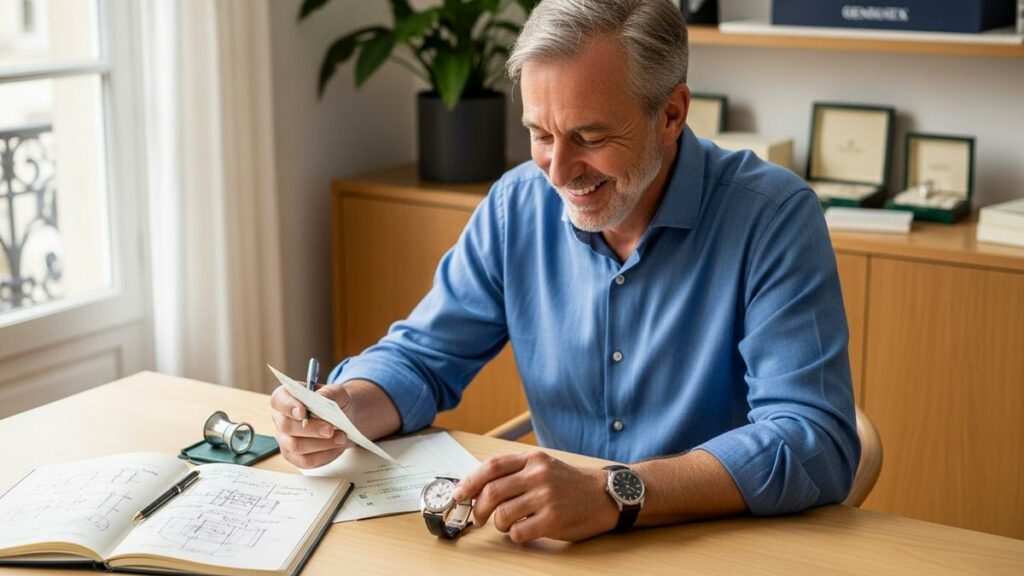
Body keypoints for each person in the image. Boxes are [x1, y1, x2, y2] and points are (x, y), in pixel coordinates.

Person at [270, 0, 859, 543]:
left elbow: (814, 441)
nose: (557, 171)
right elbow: (421, 357)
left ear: (671, 114)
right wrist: (347, 406)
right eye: (540, 134)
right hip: (561, 549)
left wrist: (614, 493)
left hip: (715, 544)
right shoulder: (515, 205)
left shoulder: (772, 216)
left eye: (590, 137)